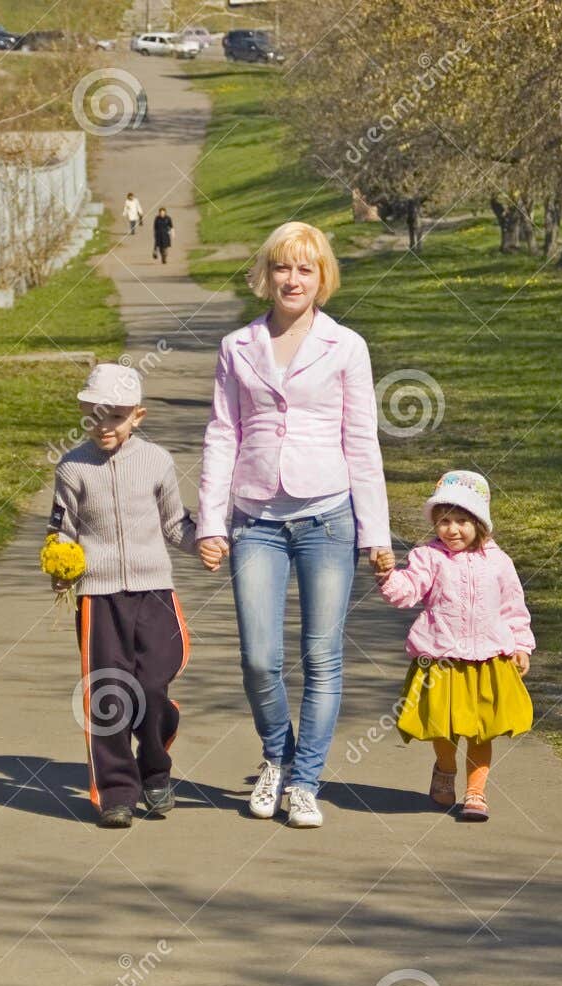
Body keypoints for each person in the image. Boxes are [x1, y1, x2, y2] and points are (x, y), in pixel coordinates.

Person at [197, 221, 393, 829]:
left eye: (306, 269)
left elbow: (362, 441)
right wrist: (211, 522)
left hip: (326, 518)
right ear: (267, 274)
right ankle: (276, 757)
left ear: (322, 278)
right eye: (283, 267)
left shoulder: (347, 347)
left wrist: (376, 534)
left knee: (322, 655)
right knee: (259, 658)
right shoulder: (237, 346)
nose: (293, 279)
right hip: (255, 517)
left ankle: (305, 781)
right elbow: (222, 433)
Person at [48, 364, 199, 829]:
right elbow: (61, 532)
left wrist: (206, 540)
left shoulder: (157, 461)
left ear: (138, 415)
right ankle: (116, 790)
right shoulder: (72, 466)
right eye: (95, 415)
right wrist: (59, 565)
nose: (104, 425)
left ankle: (155, 768)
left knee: (154, 683)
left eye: (115, 416)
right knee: (108, 692)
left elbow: (176, 524)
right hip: (98, 596)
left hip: (153, 590)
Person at [375, 470, 535, 821]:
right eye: (444, 521)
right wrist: (388, 578)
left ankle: (476, 792)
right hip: (442, 661)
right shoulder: (428, 558)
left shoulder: (499, 562)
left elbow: (513, 607)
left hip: (488, 661)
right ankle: (445, 771)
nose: (452, 529)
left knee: (481, 729)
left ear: (480, 523)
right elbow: (408, 591)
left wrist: (521, 644)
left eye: (462, 520)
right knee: (443, 728)